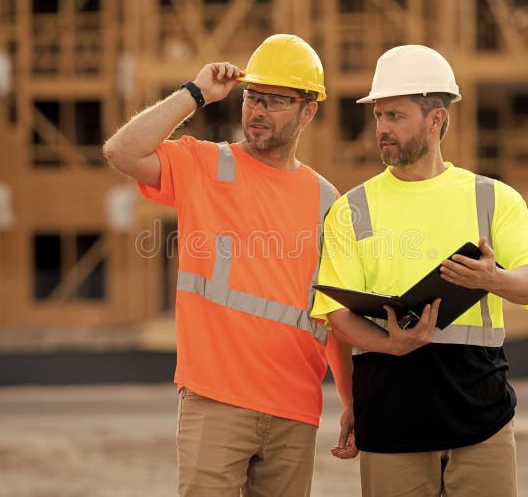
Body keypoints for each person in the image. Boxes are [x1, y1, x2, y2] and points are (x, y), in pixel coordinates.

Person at [103, 34, 354, 497]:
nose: (257, 110)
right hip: (215, 400)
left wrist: (352, 399)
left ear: (308, 110)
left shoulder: (327, 201)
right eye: (252, 97)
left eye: (275, 101)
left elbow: (333, 310)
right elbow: (121, 151)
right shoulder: (205, 165)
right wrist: (195, 93)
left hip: (295, 410)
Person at [311, 45, 528, 497]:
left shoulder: (493, 198)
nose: (382, 129)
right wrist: (389, 343)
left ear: (436, 119)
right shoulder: (351, 210)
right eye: (379, 116)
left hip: (482, 422)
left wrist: (492, 279)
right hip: (389, 422)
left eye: (395, 116)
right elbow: (336, 315)